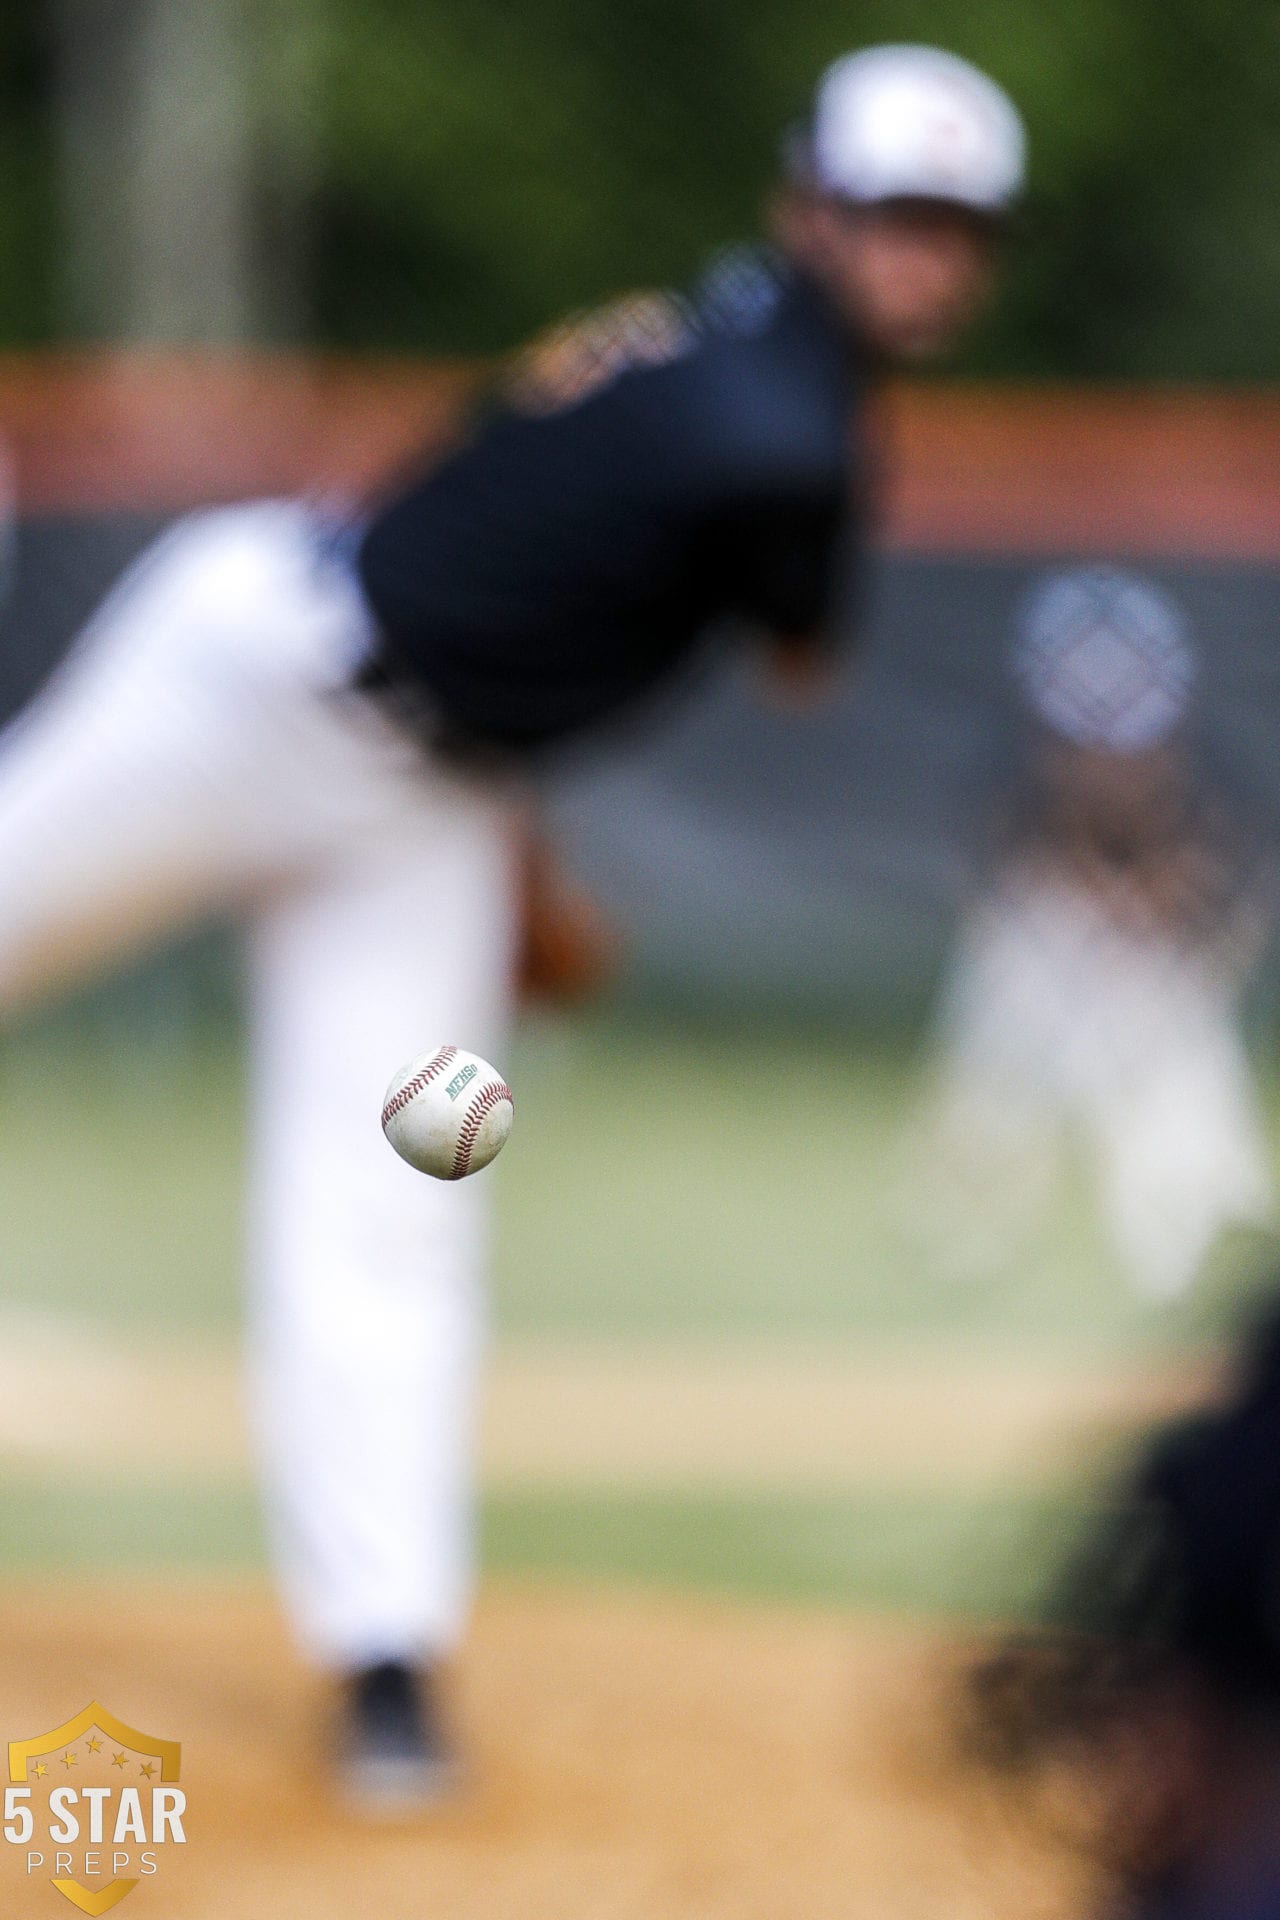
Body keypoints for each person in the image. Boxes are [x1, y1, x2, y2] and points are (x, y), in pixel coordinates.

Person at [0, 45, 1024, 1807]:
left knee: (405, 1196)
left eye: (947, 226)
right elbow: (788, 660)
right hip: (249, 683)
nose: (916, 255)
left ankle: (384, 1658)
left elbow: (516, 588)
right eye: (887, 215)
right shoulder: (782, 438)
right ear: (807, 208)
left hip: (427, 808)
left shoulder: (685, 340)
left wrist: (508, 869)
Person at [914, 567, 1272, 1299]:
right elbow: (992, 885)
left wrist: (1154, 920)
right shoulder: (1012, 778)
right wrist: (1090, 912)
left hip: (1162, 961)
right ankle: (970, 1214)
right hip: (1052, 954)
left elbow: (1232, 900)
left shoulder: (1213, 778)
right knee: (1011, 1030)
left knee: (1171, 1057)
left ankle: (1203, 1218)